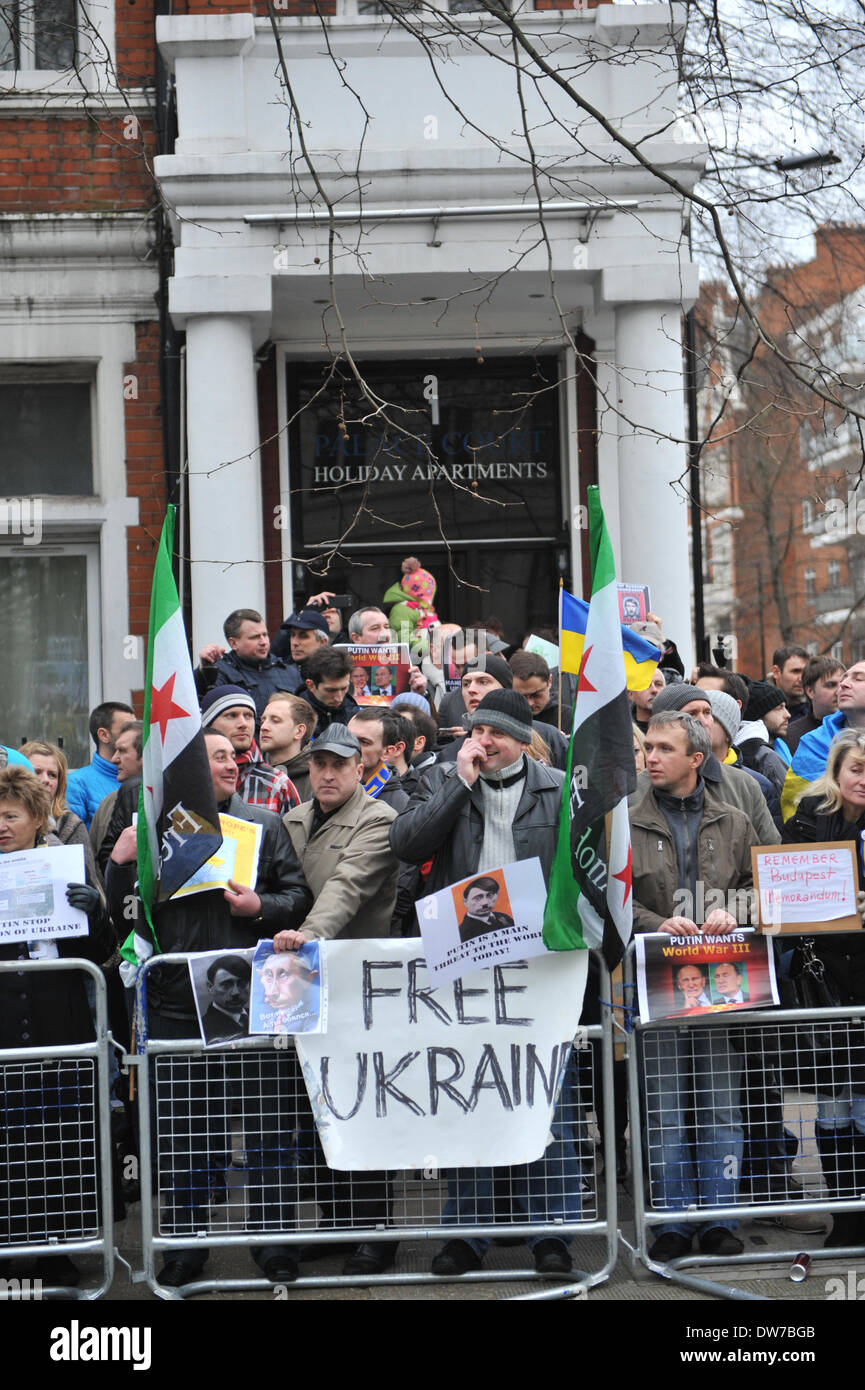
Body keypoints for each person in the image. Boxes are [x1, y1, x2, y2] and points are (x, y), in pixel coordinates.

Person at [105, 729, 312, 1288]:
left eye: (230, 756)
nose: (229, 764)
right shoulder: (156, 835)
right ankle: (185, 1247)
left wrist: (259, 905)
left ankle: (273, 1245)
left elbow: (298, 900)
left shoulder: (264, 827)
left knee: (270, 1132)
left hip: (257, 1006)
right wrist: (122, 865)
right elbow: (122, 920)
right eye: (214, 757)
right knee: (187, 1136)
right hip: (176, 1003)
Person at [390, 689, 581, 1278]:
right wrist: (459, 786)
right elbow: (408, 843)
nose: (485, 741)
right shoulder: (445, 779)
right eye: (478, 730)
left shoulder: (557, 786)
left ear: (524, 739)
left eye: (497, 732)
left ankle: (550, 1231)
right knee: (470, 1093)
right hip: (466, 961)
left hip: (540, 965)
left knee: (547, 1094)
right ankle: (466, 1232)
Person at [629, 710, 758, 1263]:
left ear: (696, 760)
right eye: (647, 747)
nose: (650, 757)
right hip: (655, 982)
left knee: (721, 1106)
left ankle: (719, 1220)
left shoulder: (734, 820)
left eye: (663, 749)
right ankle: (673, 1221)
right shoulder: (625, 822)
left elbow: (761, 890)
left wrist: (734, 911)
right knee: (663, 1108)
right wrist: (655, 923)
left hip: (724, 984)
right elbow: (607, 899)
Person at [273, 723, 401, 1277]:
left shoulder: (379, 819)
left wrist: (306, 935)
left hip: (355, 982)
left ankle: (376, 1232)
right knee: (312, 1110)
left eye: (338, 765)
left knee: (361, 1107)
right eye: (318, 765)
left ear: (359, 769)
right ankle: (336, 1222)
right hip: (300, 982)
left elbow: (347, 886)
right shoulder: (290, 820)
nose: (326, 774)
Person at [0, 765, 116, 1287]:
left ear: (37, 819)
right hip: (4, 1023)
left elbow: (102, 954)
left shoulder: (64, 867)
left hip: (58, 1022)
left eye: (10, 816)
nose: (1, 826)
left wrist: (94, 915)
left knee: (59, 1137)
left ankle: (58, 1245)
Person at [782, 727, 865, 1248]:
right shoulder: (809, 818)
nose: (864, 780)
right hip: (824, 978)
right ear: (836, 772)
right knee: (832, 1103)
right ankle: (845, 1218)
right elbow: (785, 888)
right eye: (856, 768)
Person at [435, 655, 568, 770]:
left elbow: (577, 786)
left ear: (506, 688)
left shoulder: (549, 736)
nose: (471, 689)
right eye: (466, 684)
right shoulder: (450, 755)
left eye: (483, 682)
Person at [783, 659, 865, 818]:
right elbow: (797, 817)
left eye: (858, 679)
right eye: (844, 679)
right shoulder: (813, 744)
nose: (844, 685)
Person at [200, 686, 299, 815]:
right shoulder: (187, 780)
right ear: (208, 724)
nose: (243, 724)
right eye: (231, 715)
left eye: (248, 716)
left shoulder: (276, 784)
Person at [195, 608, 300, 722]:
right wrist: (204, 671)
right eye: (255, 637)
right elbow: (200, 703)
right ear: (234, 643)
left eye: (265, 635)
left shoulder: (289, 671)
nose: (263, 642)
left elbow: (303, 714)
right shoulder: (221, 671)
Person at [66, 700, 134, 828]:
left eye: (135, 728)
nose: (134, 734)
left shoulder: (143, 779)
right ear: (103, 735)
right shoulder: (76, 784)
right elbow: (71, 839)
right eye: (126, 728)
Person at [91, 720, 143, 869]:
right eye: (115, 750)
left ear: (146, 753)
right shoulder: (108, 803)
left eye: (122, 750)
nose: (114, 759)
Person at [347, 708, 411, 811]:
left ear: (388, 752)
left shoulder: (399, 807)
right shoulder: (328, 788)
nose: (351, 746)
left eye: (364, 742)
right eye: (348, 738)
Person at [733, 681, 789, 795]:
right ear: (758, 714)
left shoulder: (779, 743)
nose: (787, 714)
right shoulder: (761, 754)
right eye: (779, 708)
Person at [259, 692, 317, 801]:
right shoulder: (247, 771)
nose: (264, 727)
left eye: (275, 721)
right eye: (263, 720)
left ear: (299, 731)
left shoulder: (318, 778)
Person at [784, 656, 845, 756]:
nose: (839, 691)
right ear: (810, 691)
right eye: (831, 685)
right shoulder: (791, 737)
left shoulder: (856, 727)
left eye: (843, 684)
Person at [296, 647, 359, 734]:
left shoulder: (354, 714)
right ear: (311, 685)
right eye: (331, 690)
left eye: (344, 688)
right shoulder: (294, 717)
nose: (339, 698)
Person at [257, 948, 320, 1033]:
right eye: (269, 977)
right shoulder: (267, 1020)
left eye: (283, 976)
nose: (272, 991)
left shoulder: (312, 1022)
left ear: (307, 979)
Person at [200, 955, 251, 1043]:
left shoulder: (258, 1017)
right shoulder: (204, 1026)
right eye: (226, 985)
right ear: (210, 987)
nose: (236, 992)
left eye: (242, 983)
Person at [457, 875, 514, 942]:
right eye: (477, 898)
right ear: (465, 902)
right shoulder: (462, 933)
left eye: (489, 895)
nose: (485, 903)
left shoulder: (505, 918)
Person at [771, 644, 810, 720]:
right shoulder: (759, 711)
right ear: (776, 672)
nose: (801, 678)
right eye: (795, 671)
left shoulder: (815, 710)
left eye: (805, 672)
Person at [628, 667, 665, 735]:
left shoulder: (678, 726)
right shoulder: (623, 730)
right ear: (631, 694)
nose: (654, 690)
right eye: (646, 685)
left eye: (658, 684)